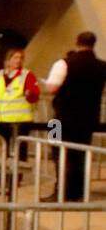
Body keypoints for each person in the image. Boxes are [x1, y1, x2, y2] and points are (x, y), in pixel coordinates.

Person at [42, 31, 106, 201]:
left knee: (58, 153)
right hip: (88, 119)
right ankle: (79, 192)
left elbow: (51, 88)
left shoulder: (63, 63)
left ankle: (61, 191)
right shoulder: (102, 66)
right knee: (81, 155)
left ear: (77, 42)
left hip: (60, 119)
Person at [0, 47, 38, 162]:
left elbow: (34, 95)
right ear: (8, 60)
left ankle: (18, 175)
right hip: (1, 119)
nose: (18, 61)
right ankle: (4, 174)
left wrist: (30, 94)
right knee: (4, 148)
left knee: (20, 150)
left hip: (20, 120)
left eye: (20, 58)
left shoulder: (27, 75)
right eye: (15, 58)